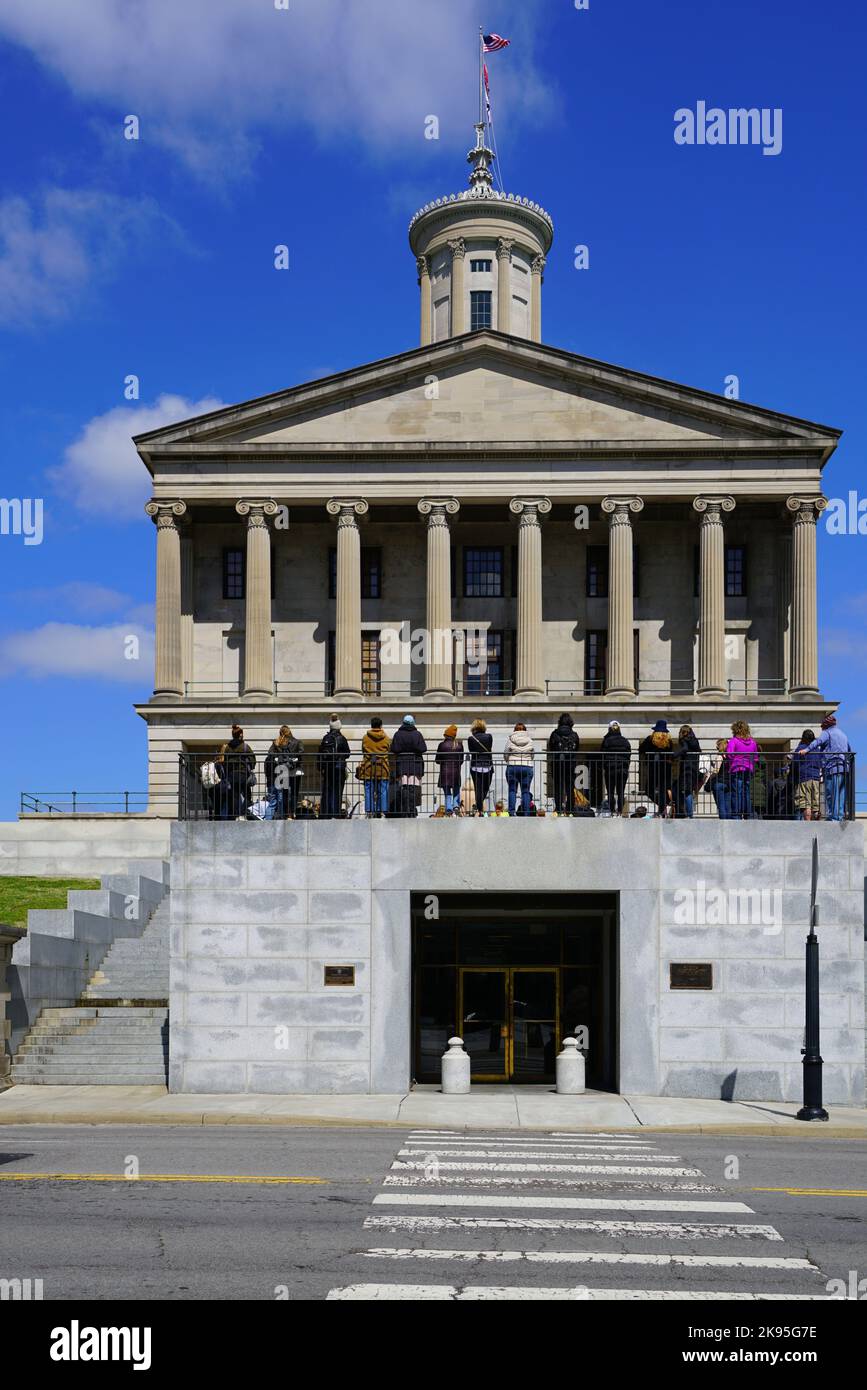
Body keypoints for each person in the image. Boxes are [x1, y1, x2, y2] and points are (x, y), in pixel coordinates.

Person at [800, 714, 853, 822]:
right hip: (844, 768)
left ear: (826, 725)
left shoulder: (827, 733)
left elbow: (817, 742)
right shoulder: (843, 734)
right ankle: (840, 816)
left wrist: (806, 750)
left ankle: (833, 817)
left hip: (832, 768)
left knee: (831, 794)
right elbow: (849, 750)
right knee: (841, 794)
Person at [391, 714, 427, 817]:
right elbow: (423, 748)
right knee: (412, 789)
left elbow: (394, 749)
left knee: (404, 788)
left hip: (402, 764)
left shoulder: (398, 734)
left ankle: (404, 810)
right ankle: (411, 810)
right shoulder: (417, 734)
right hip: (415, 764)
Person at [264, 725, 303, 819]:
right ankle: (291, 813)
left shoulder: (277, 742)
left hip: (281, 771)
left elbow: (270, 754)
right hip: (294, 771)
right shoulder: (297, 742)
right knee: (293, 793)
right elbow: (301, 754)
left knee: (283, 794)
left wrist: (278, 760)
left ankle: (284, 814)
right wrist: (293, 760)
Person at [217, 724, 255, 819]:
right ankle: (243, 813)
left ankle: (234, 816)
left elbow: (224, 761)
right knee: (247, 795)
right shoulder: (245, 746)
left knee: (234, 795)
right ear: (241, 735)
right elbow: (253, 760)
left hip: (231, 774)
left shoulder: (227, 747)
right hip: (243, 774)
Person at [638, 720, 674, 817]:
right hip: (665, 767)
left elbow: (641, 749)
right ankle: (663, 807)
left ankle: (662, 807)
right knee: (663, 789)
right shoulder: (668, 741)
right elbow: (670, 753)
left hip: (653, 767)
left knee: (649, 789)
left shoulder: (650, 739)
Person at [356, 716, 391, 818]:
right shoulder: (386, 738)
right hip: (383, 767)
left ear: (371, 725)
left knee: (368, 789)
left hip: (368, 767)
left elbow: (363, 750)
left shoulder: (365, 737)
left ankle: (370, 811)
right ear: (381, 726)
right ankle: (382, 811)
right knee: (383, 790)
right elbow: (388, 749)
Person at [318, 715, 350, 818]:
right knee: (337, 791)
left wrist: (320, 767)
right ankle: (335, 813)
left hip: (327, 768)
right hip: (338, 768)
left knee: (327, 790)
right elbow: (348, 753)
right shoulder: (341, 738)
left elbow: (320, 753)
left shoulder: (326, 738)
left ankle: (326, 813)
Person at [547, 713, 579, 816]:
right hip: (570, 764)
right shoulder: (574, 735)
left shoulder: (554, 734)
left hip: (557, 763)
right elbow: (577, 749)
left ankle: (559, 808)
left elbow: (551, 748)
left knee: (558, 786)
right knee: (570, 787)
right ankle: (570, 809)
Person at [726, 720, 758, 820]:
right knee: (746, 791)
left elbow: (729, 755)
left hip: (736, 768)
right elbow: (756, 757)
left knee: (737, 792)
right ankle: (747, 814)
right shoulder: (753, 742)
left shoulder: (734, 740)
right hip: (748, 769)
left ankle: (737, 814)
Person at [600, 720, 631, 816]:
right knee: (621, 791)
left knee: (610, 792)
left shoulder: (607, 741)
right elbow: (628, 755)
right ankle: (621, 811)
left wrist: (604, 766)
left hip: (610, 769)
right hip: (623, 769)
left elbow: (602, 755)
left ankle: (612, 811)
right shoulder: (625, 741)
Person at [504, 722, 535, 817]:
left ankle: (511, 812)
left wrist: (509, 761)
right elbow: (532, 755)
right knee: (525, 791)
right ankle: (526, 813)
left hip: (513, 766)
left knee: (512, 790)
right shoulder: (529, 740)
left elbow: (506, 754)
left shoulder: (510, 739)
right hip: (527, 766)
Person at [791, 728, 822, 821]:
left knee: (805, 804)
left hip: (804, 778)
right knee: (815, 804)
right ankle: (816, 823)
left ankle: (808, 825)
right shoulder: (817, 750)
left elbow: (795, 763)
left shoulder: (801, 748)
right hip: (816, 778)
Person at [435, 724, 464, 816]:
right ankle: (456, 806)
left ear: (446, 735)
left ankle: (448, 809)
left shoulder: (442, 745)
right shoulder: (459, 745)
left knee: (447, 792)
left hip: (445, 773)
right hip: (456, 772)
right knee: (456, 790)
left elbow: (437, 760)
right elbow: (461, 760)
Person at [674, 724, 702, 819]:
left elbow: (684, 749)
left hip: (686, 769)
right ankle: (687, 813)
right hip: (694, 769)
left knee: (686, 792)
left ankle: (689, 814)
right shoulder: (695, 741)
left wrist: (674, 755)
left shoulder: (684, 740)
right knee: (689, 791)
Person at [467, 718, 494, 814]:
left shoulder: (471, 739)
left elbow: (471, 751)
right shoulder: (489, 737)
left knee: (478, 789)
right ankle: (479, 806)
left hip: (476, 766)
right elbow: (489, 748)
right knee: (486, 788)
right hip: (488, 765)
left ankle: (479, 808)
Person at [703, 739, 731, 819]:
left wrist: (710, 778)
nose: (716, 748)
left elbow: (716, 771)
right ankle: (729, 824)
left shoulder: (719, 756)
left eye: (717, 746)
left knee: (721, 806)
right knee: (727, 807)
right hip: (728, 783)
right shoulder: (730, 756)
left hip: (719, 783)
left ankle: (723, 824)